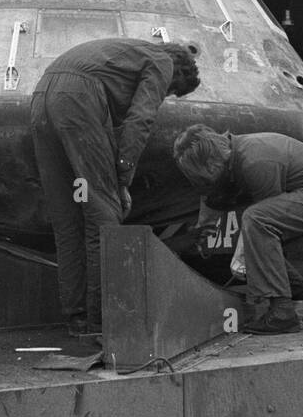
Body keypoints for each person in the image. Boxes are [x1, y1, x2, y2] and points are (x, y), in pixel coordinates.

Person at [30, 38, 200, 337]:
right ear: (178, 75)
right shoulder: (162, 61)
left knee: (67, 221)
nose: (166, 95)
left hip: (42, 96)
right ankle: (101, 324)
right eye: (171, 91)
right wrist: (122, 179)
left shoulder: (126, 53)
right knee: (104, 219)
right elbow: (141, 119)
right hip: (78, 101)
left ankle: (77, 319)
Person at [173, 125, 303, 334]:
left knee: (257, 219)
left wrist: (241, 258)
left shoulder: (255, 160)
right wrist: (202, 230)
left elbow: (262, 222)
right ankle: (295, 289)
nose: (205, 178)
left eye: (203, 173)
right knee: (259, 225)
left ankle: (282, 314)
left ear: (210, 163)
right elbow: (211, 195)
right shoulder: (231, 156)